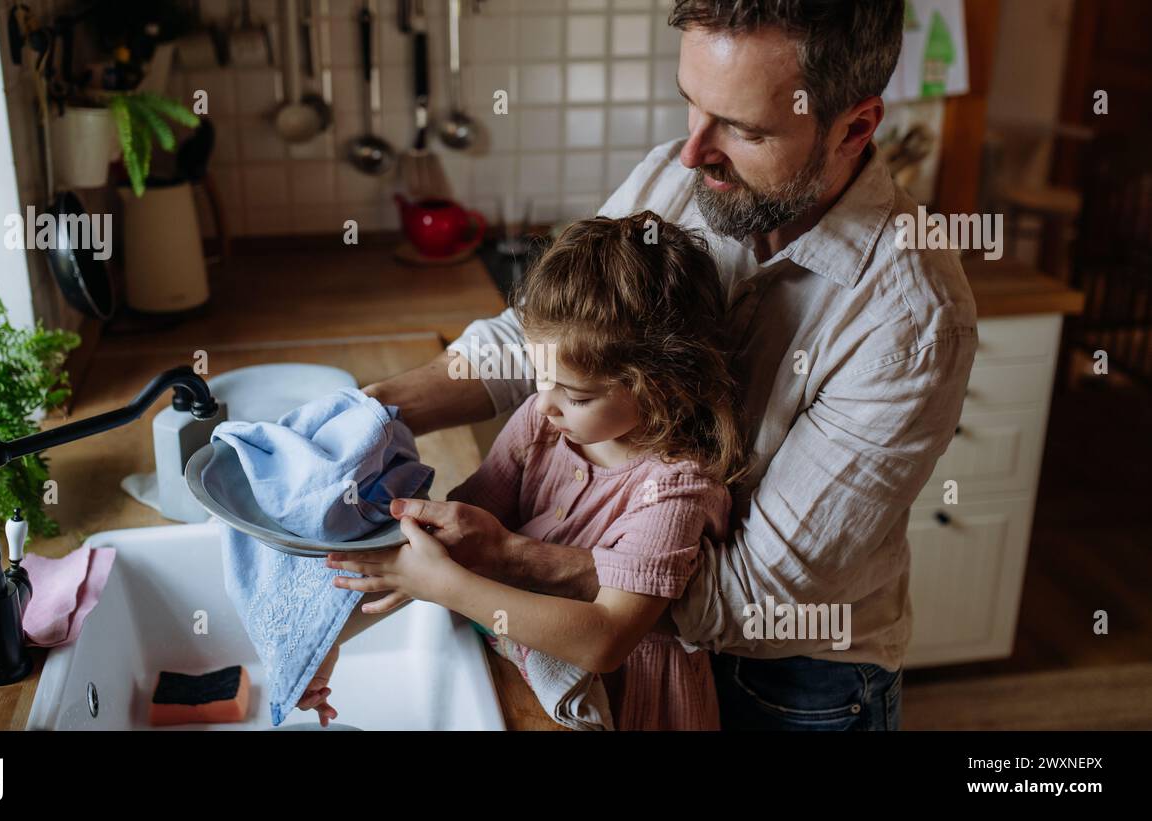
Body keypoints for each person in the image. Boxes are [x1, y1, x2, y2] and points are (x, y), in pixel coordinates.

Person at [354, 0, 978, 730]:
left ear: (855, 127)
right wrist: (374, 410)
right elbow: (546, 343)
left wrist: (520, 559)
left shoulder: (910, 317)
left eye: (742, 129)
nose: (691, 153)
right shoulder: (680, 182)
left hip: (790, 680)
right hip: (623, 633)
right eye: (693, 107)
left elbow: (748, 593)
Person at [329, 212, 747, 729]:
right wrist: (328, 648)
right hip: (520, 674)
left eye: (575, 395)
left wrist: (440, 584)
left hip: (632, 704)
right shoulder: (542, 422)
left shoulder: (673, 493)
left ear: (662, 387)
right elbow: (453, 530)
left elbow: (605, 640)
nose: (545, 404)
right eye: (539, 376)